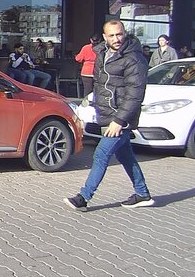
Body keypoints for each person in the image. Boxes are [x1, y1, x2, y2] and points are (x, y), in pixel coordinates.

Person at [65, 19, 153, 211]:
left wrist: (119, 121)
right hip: (106, 114)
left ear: (125, 33)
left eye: (119, 34)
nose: (116, 38)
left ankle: (83, 197)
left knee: (101, 154)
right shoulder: (102, 54)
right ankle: (143, 193)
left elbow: (135, 94)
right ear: (105, 37)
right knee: (126, 157)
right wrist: (89, 108)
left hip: (120, 118)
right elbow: (99, 86)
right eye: (112, 35)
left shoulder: (134, 59)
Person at [74, 34, 100, 99]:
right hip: (98, 71)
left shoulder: (86, 48)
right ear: (100, 40)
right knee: (97, 91)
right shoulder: (102, 48)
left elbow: (78, 59)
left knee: (87, 91)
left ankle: (87, 106)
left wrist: (76, 56)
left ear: (90, 40)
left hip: (86, 72)